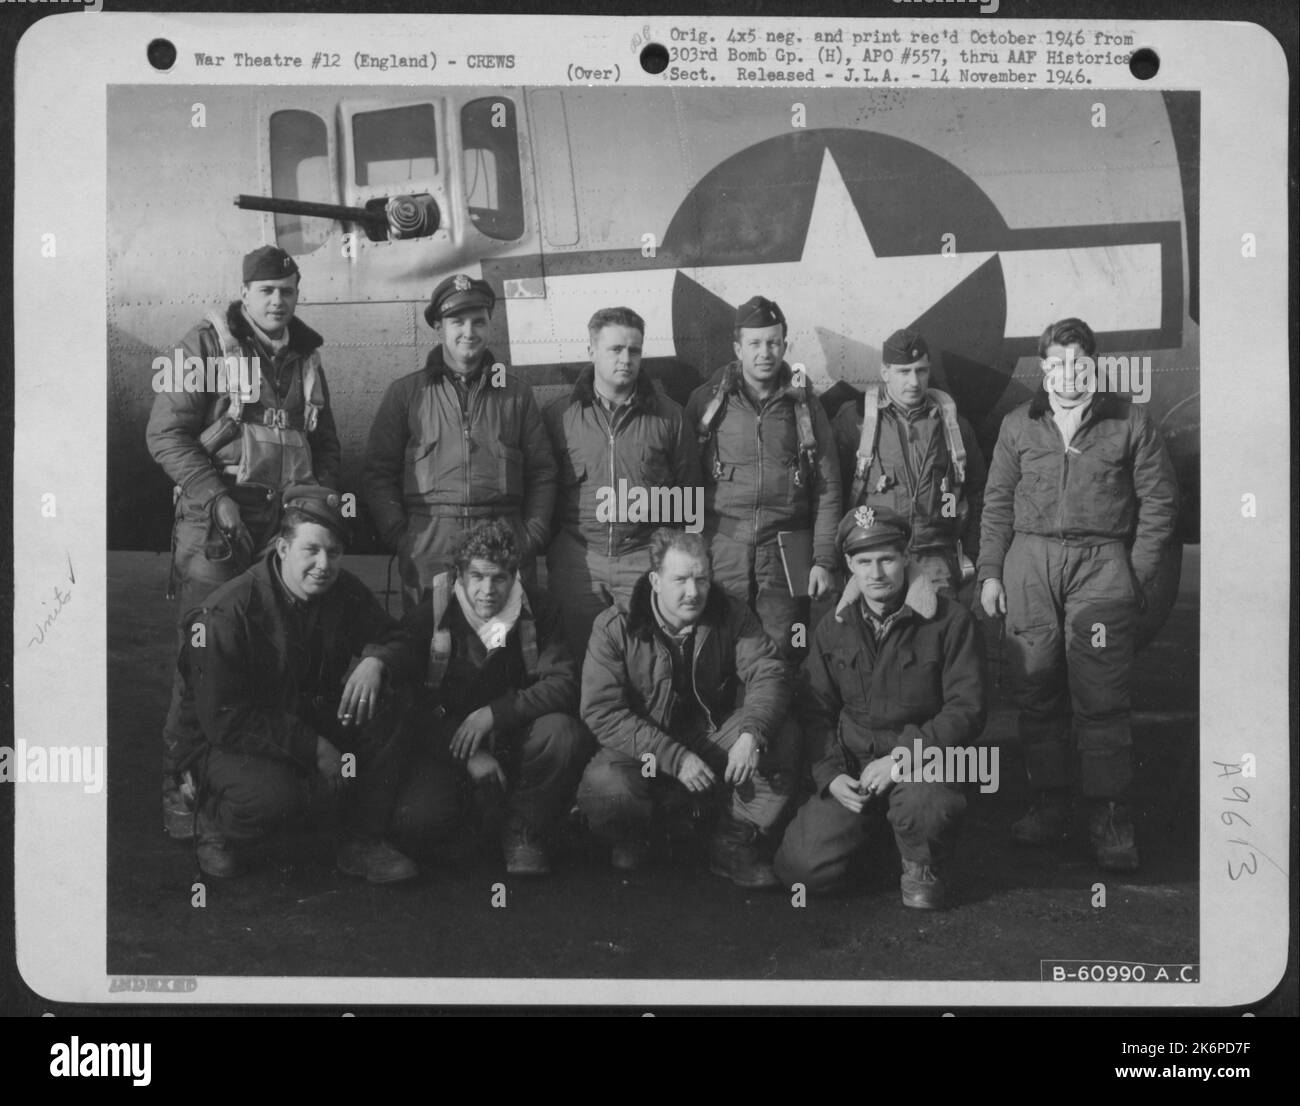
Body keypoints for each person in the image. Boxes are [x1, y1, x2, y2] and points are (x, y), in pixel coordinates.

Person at [147, 244, 342, 840]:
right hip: (217, 527)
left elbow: (326, 447)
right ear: (245, 293)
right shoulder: (203, 346)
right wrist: (216, 497)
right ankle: (179, 783)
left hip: (281, 530)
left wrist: (316, 507)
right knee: (201, 653)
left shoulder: (307, 358)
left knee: (273, 651)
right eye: (266, 291)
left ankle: (250, 778)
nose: (278, 301)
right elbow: (165, 434)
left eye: (287, 291)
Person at [978, 317, 1178, 871]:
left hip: (1101, 566)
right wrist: (991, 573)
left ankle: (1109, 817)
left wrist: (1135, 574)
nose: (1068, 373)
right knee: (1038, 688)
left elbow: (1159, 503)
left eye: (1078, 361)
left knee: (1101, 694)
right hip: (1031, 565)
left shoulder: (1129, 422)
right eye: (1057, 363)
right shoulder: (1019, 424)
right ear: (1043, 368)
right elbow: (996, 502)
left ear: (1093, 364)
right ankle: (1049, 805)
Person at [182, 486, 422, 883]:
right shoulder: (229, 612)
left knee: (392, 697)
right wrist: (314, 747)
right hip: (228, 738)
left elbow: (401, 640)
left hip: (300, 717)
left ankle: (363, 839)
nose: (324, 564)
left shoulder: (343, 591)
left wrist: (376, 660)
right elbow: (223, 719)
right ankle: (212, 818)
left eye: (334, 552)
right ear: (282, 548)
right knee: (274, 799)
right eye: (311, 550)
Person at [774, 507, 987, 909]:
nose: (876, 573)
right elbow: (815, 711)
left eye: (886, 559)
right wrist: (831, 775)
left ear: (906, 556)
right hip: (856, 767)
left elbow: (967, 708)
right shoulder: (833, 626)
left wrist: (901, 759)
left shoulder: (950, 621)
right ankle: (877, 839)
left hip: (922, 762)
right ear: (849, 564)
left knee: (926, 805)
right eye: (864, 562)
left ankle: (921, 864)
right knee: (801, 871)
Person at [577, 529, 795, 889]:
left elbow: (769, 672)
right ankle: (638, 836)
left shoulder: (731, 613)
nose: (693, 592)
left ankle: (733, 840)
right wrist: (674, 758)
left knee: (780, 735)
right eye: (680, 580)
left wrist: (752, 733)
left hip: (709, 736)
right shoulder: (615, 627)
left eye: (701, 579)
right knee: (606, 786)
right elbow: (602, 711)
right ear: (655, 581)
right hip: (644, 748)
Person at [390, 520, 593, 876]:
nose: (488, 590)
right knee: (417, 822)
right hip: (453, 742)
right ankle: (479, 823)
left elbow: (563, 683)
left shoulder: (541, 609)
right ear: (460, 575)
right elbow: (409, 703)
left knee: (561, 733)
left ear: (515, 576)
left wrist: (494, 713)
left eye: (499, 578)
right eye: (478, 577)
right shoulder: (429, 614)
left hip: (516, 738)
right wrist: (467, 754)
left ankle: (523, 829)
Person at [362, 273, 556, 610]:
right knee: (429, 634)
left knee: (502, 637)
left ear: (490, 325)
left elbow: (543, 472)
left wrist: (531, 536)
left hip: (501, 542)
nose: (469, 332)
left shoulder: (516, 395)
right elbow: (378, 472)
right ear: (439, 327)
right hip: (430, 545)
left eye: (479, 321)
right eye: (457, 322)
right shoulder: (406, 394)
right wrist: (401, 536)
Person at [683, 296, 840, 663]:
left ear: (784, 345)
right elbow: (685, 481)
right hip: (722, 548)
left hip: (789, 552)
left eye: (773, 343)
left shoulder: (805, 405)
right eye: (755, 343)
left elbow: (827, 487)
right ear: (738, 348)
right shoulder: (706, 403)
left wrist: (823, 560)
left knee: (785, 653)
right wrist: (690, 550)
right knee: (715, 652)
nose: (765, 352)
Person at [544, 307, 694, 659]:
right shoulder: (559, 416)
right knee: (578, 661)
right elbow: (543, 488)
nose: (626, 359)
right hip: (579, 562)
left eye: (634, 350)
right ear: (592, 351)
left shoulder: (670, 417)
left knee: (647, 661)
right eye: (615, 349)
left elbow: (690, 497)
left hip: (643, 559)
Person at [831, 327, 985, 596]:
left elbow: (978, 492)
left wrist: (971, 552)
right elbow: (831, 492)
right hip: (876, 558)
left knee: (940, 622)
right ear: (885, 372)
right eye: (904, 372)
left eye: (921, 371)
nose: (914, 381)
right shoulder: (855, 422)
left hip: (936, 559)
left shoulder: (953, 426)